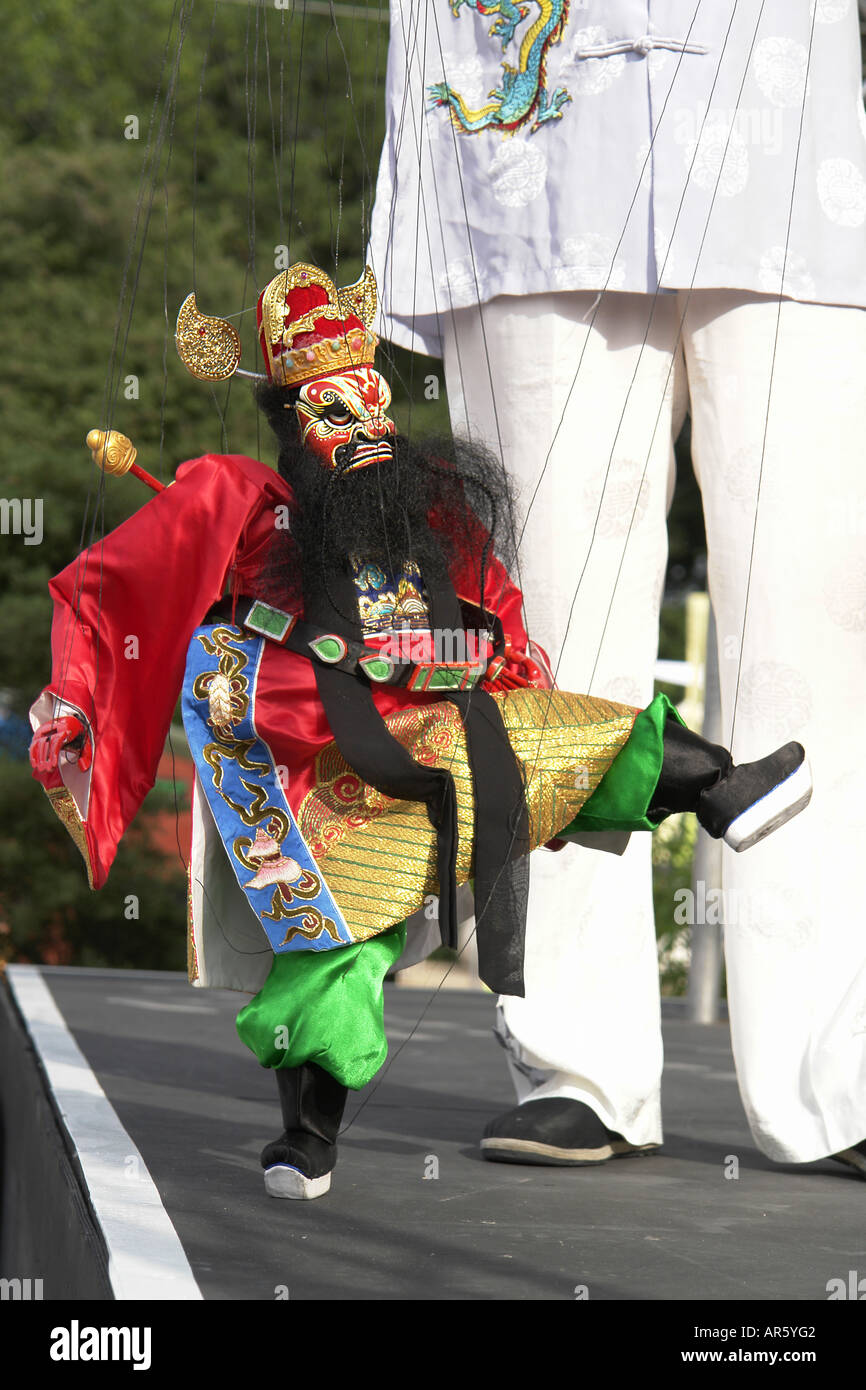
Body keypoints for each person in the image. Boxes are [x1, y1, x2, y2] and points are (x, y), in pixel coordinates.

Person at [29, 261, 811, 1199]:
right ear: (290, 424)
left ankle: (723, 787)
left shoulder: (431, 508)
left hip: (442, 733)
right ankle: (307, 1141)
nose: (364, 431)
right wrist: (79, 698)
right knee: (330, 954)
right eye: (333, 413)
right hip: (311, 774)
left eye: (372, 404)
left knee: (568, 731)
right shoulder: (241, 502)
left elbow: (499, 613)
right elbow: (115, 585)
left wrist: (505, 663)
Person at [369, 0, 866, 1176]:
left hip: (781, 117)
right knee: (547, 610)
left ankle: (835, 1068)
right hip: (526, 120)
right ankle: (575, 1058)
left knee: (812, 609)